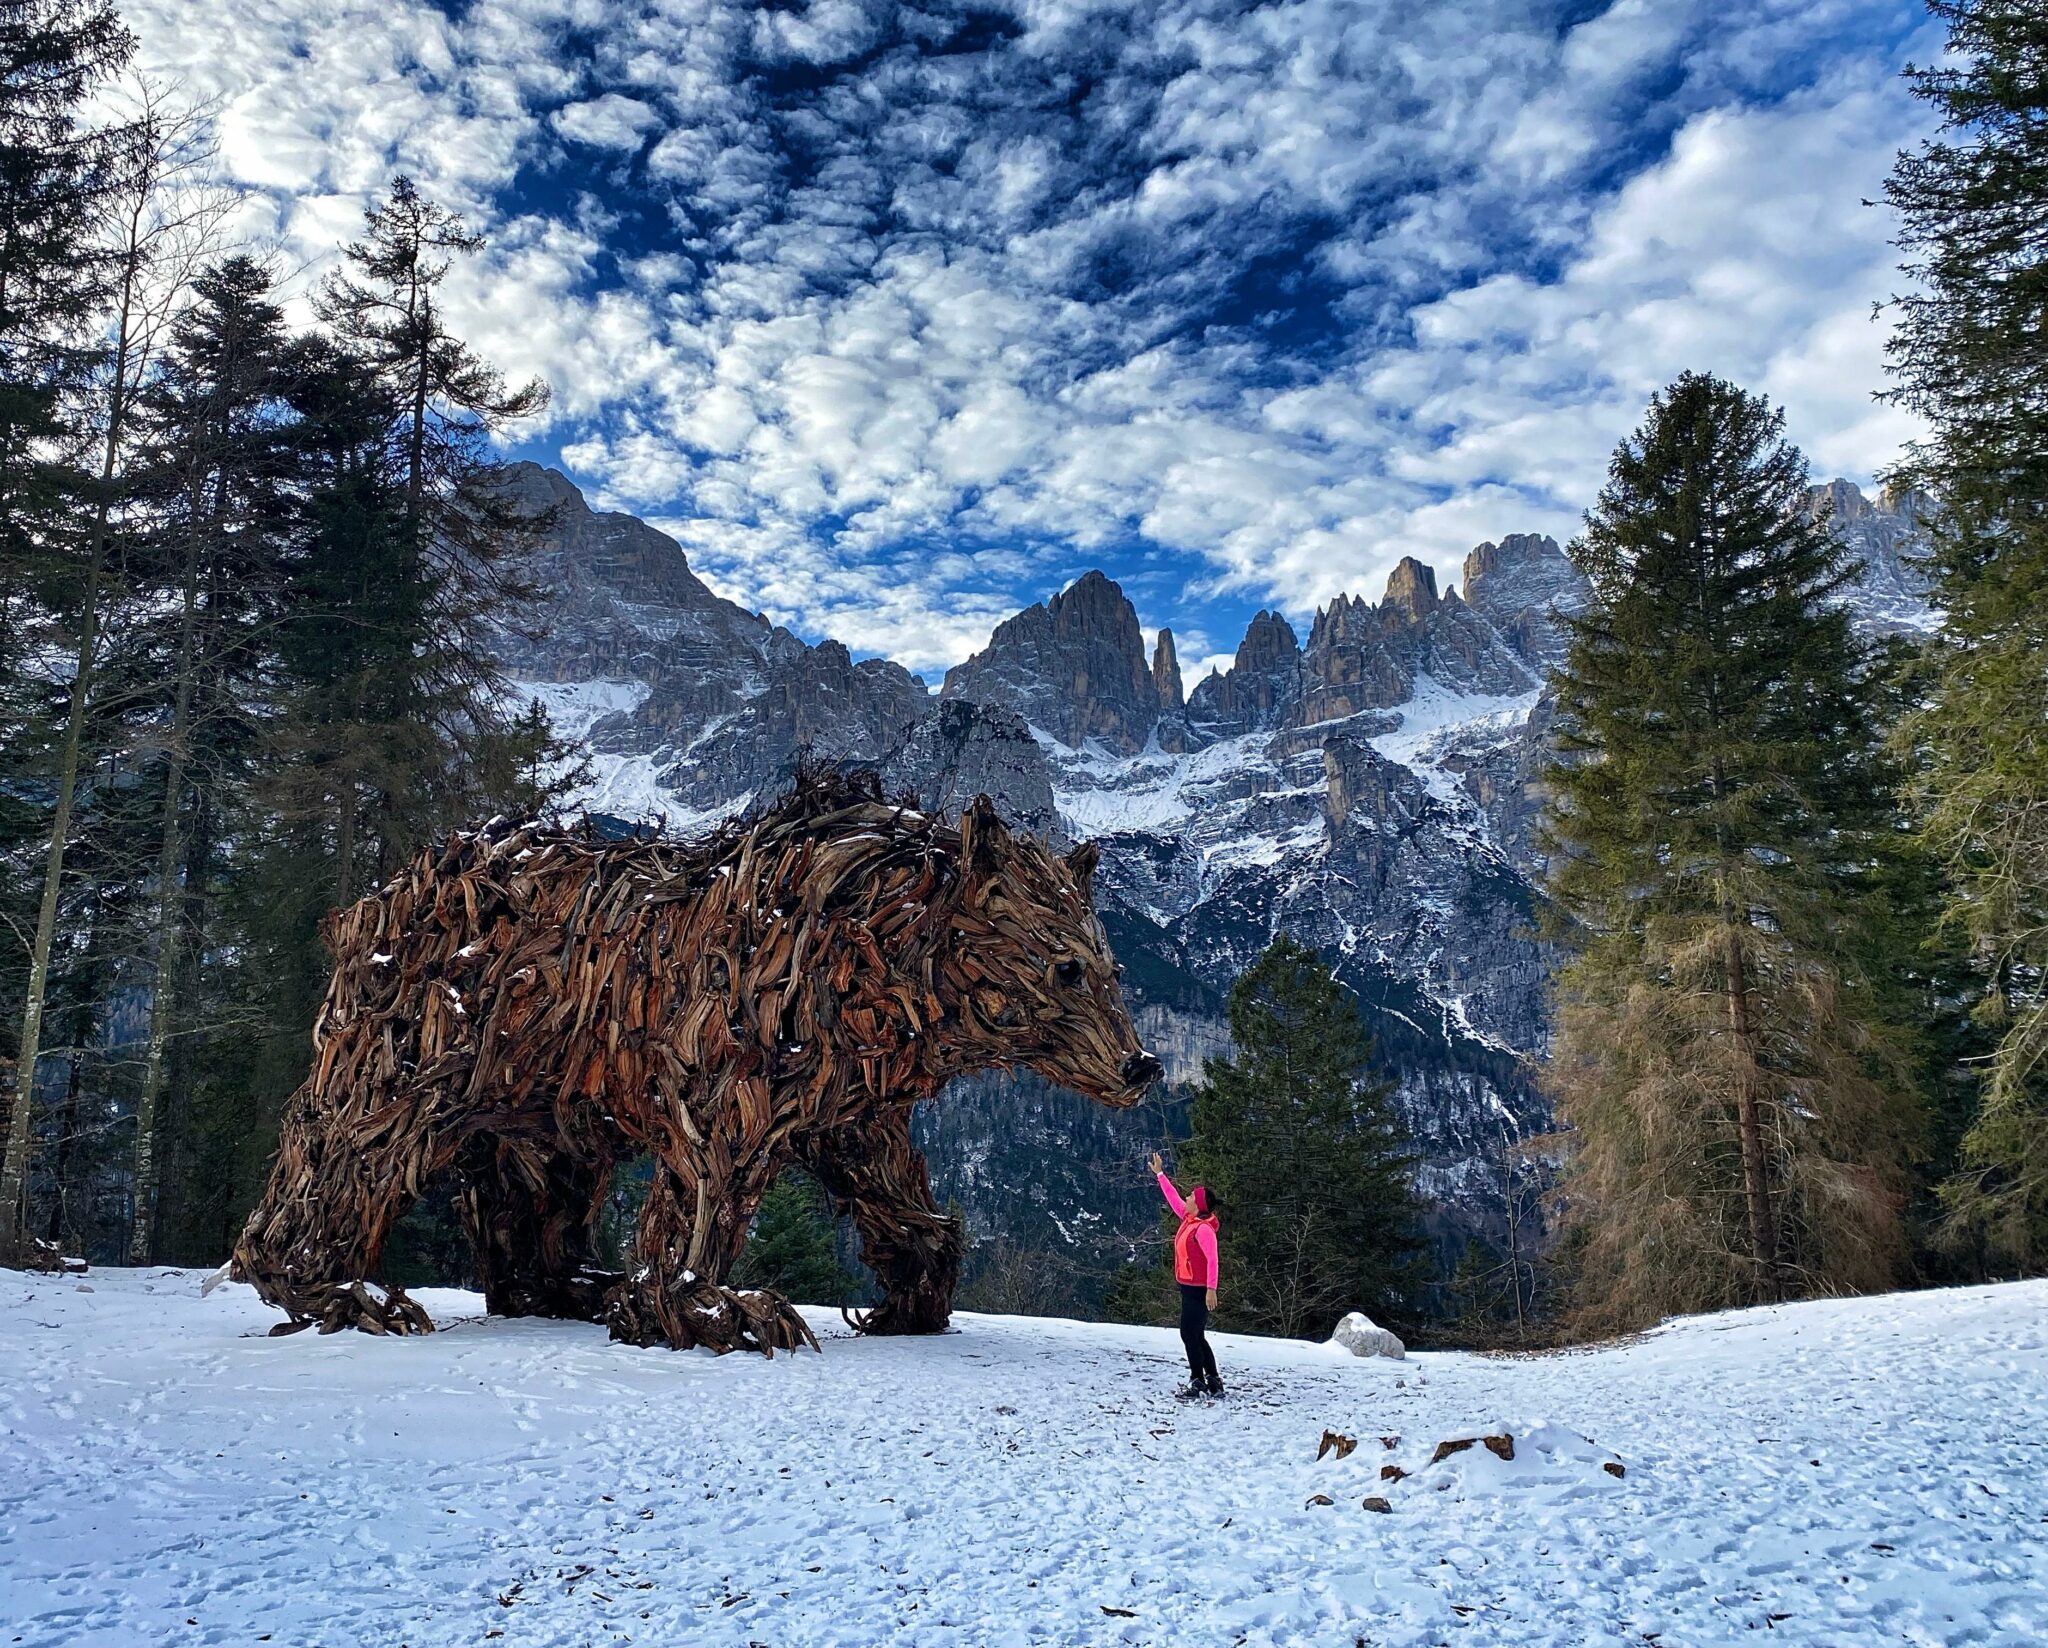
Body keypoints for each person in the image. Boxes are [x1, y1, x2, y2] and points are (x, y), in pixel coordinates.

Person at [1150, 1150, 1222, 1399]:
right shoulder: (1189, 1218)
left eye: (1191, 1196)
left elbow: (1213, 1259)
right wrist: (1160, 1174)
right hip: (1190, 1287)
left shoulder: (1203, 1230)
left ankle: (1198, 1380)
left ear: (1198, 1204)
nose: (1187, 1197)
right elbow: (1172, 1198)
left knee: (1188, 1333)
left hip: (1198, 1289)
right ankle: (1212, 1380)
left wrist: (1211, 1289)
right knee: (1195, 1334)